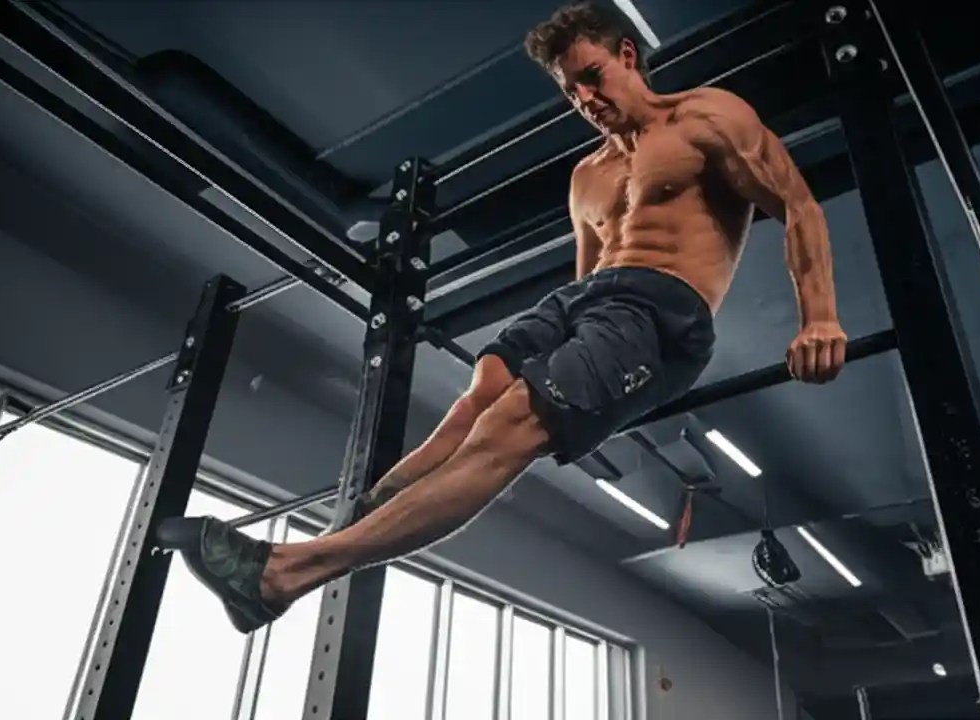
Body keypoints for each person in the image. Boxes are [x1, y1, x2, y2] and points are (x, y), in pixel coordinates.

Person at [157, 1, 847, 634]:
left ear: (627, 55)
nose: (587, 100)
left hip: (662, 308)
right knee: (480, 393)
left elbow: (798, 206)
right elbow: (587, 280)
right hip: (590, 301)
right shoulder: (587, 176)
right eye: (572, 92)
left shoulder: (707, 117)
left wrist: (819, 319)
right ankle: (365, 511)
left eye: (593, 76)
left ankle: (283, 574)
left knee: (512, 419)